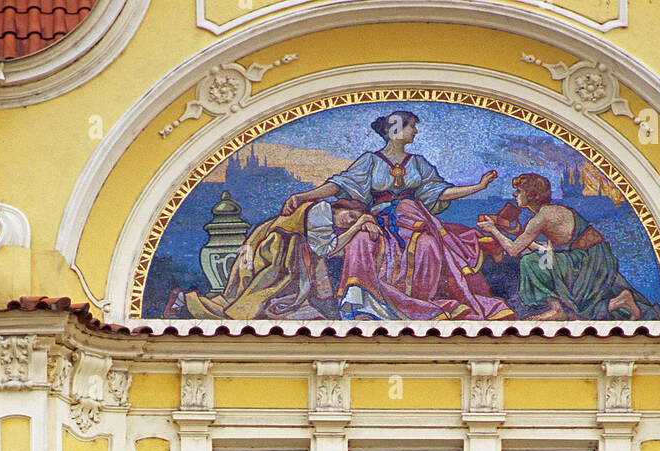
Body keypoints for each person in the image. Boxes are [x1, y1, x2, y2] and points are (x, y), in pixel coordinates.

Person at [281, 109, 514, 320]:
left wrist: (478, 187)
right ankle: (361, 306)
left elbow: (440, 193)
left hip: (415, 220)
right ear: (394, 130)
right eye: (412, 125)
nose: (415, 131)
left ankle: (420, 306)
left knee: (429, 245)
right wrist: (303, 197)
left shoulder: (418, 163)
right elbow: (338, 185)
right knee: (362, 240)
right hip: (381, 221)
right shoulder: (370, 161)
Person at [478, 173, 660, 320]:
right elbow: (547, 252)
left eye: (519, 191)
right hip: (590, 257)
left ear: (532, 194)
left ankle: (556, 309)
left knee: (530, 262)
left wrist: (493, 229)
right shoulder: (551, 212)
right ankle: (620, 301)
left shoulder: (542, 217)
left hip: (588, 261)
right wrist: (517, 233)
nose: (515, 195)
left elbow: (513, 250)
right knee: (543, 264)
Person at [164, 198, 381, 319]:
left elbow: (329, 248)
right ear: (338, 206)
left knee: (261, 300)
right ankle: (186, 300)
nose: (346, 221)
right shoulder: (321, 211)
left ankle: (185, 300)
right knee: (257, 297)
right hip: (278, 253)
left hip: (284, 252)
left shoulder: (324, 220)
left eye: (352, 219)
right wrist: (357, 226)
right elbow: (326, 249)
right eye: (349, 215)